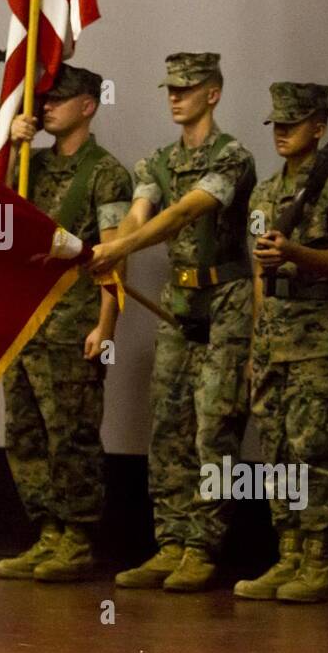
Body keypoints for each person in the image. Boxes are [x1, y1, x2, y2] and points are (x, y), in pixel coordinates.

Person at [91, 53, 255, 592]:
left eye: (187, 88)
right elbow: (141, 212)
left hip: (226, 301)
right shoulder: (154, 162)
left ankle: (204, 547)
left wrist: (124, 246)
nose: (175, 96)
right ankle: (172, 542)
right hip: (177, 302)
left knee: (215, 428)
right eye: (171, 88)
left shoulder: (233, 157)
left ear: (213, 93)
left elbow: (186, 211)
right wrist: (112, 246)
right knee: (168, 426)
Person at [234, 82, 328, 603]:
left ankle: (316, 564)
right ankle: (287, 555)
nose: (282, 133)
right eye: (276, 124)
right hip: (274, 340)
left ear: (320, 127)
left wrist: (295, 251)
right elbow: (257, 271)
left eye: (292, 124)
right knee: (276, 454)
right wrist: (254, 345)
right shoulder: (266, 192)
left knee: (313, 451)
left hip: (321, 343)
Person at [0, 64, 133, 582]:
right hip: (26, 322)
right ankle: (47, 531)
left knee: (70, 434)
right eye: (44, 99)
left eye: (59, 99)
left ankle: (75, 537)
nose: (47, 106)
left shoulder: (105, 173)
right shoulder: (32, 166)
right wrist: (11, 149)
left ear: (88, 105)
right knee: (25, 432)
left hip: (73, 322)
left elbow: (115, 256)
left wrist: (107, 327)